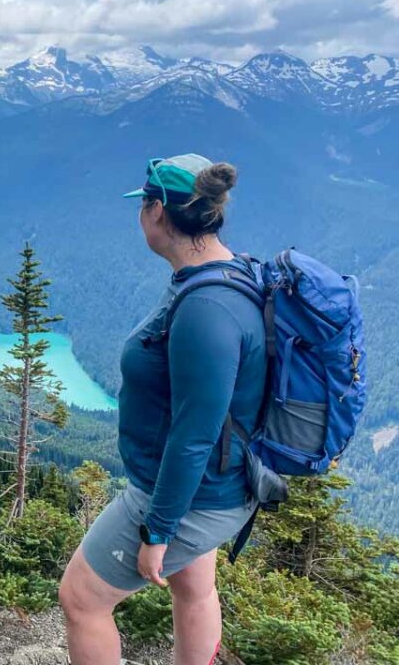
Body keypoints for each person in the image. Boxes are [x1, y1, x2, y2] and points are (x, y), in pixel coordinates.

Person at [58, 154, 266, 665]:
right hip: (222, 484)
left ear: (156, 211)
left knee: (82, 598)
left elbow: (196, 432)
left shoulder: (206, 309)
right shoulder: (226, 274)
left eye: (143, 204)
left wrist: (159, 530)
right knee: (194, 586)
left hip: (188, 495)